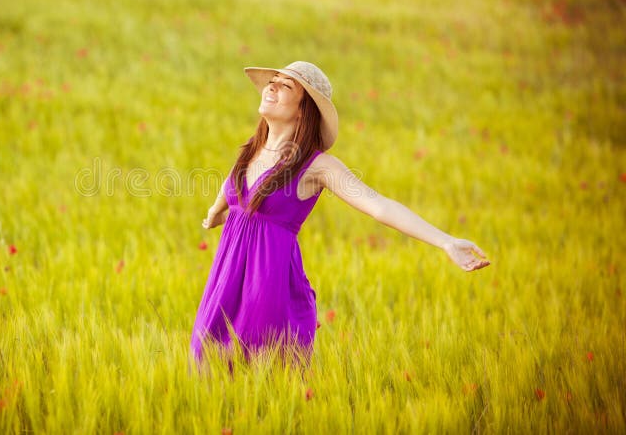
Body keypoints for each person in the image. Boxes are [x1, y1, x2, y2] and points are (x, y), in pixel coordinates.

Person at [189, 61, 490, 373]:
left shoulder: (318, 167)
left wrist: (446, 241)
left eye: (286, 86)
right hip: (225, 282)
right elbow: (233, 186)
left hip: (266, 290)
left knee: (256, 380)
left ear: (304, 110)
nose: (271, 87)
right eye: (272, 81)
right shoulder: (251, 151)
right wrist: (217, 211)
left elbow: (379, 207)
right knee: (203, 365)